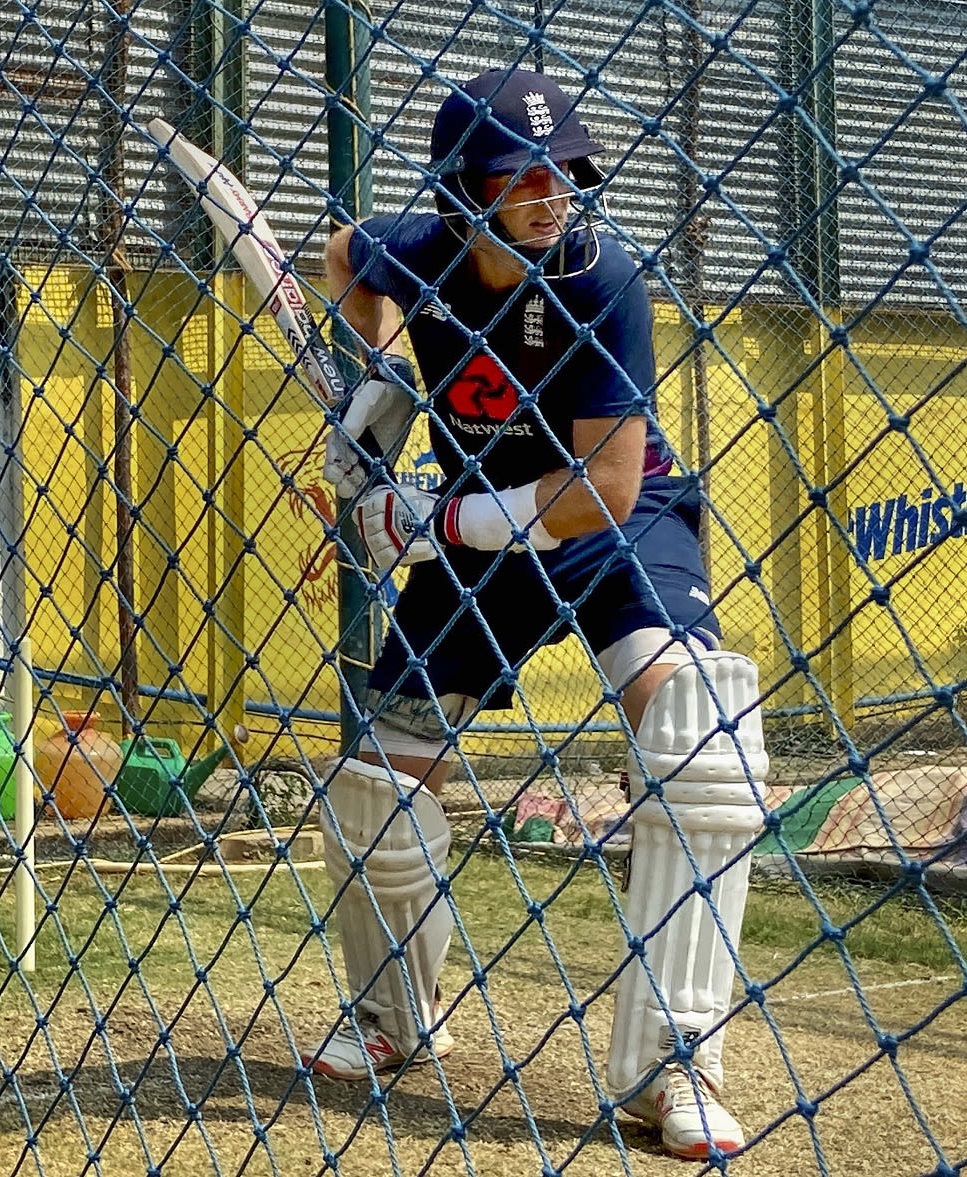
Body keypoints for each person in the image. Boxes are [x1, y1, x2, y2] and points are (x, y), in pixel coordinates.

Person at [304, 67, 769, 1162]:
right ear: (465, 191)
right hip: (480, 529)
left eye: (564, 172)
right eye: (523, 176)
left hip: (611, 521)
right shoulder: (417, 251)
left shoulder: (602, 280)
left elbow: (600, 490)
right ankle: (391, 1020)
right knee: (379, 771)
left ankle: (678, 1064)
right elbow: (338, 255)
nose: (551, 196)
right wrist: (376, 386)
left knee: (696, 729)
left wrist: (431, 518)